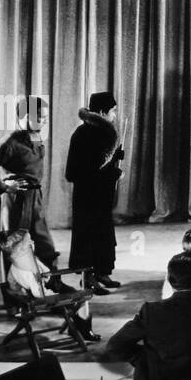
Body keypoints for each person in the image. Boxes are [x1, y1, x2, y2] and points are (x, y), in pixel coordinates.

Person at [0, 98, 67, 286]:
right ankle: (15, 299)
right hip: (13, 200)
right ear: (26, 116)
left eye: (45, 117)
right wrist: (4, 187)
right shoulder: (10, 141)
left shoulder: (36, 136)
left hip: (34, 198)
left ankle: (51, 285)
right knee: (14, 249)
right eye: (40, 117)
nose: (44, 121)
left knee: (45, 246)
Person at [65, 91, 123, 294]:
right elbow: (74, 172)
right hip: (87, 198)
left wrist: (114, 162)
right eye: (112, 111)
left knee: (103, 235)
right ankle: (88, 278)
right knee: (88, 236)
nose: (114, 115)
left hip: (101, 198)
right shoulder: (82, 134)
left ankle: (102, 272)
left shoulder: (104, 133)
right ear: (101, 111)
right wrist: (110, 171)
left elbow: (101, 163)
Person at [1, 229, 97, 343]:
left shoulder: (24, 259)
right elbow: (38, 292)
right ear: (21, 248)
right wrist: (54, 294)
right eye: (29, 242)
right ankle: (84, 330)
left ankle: (78, 328)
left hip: (51, 284)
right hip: (45, 293)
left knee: (77, 296)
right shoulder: (25, 269)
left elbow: (42, 273)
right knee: (81, 299)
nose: (33, 242)